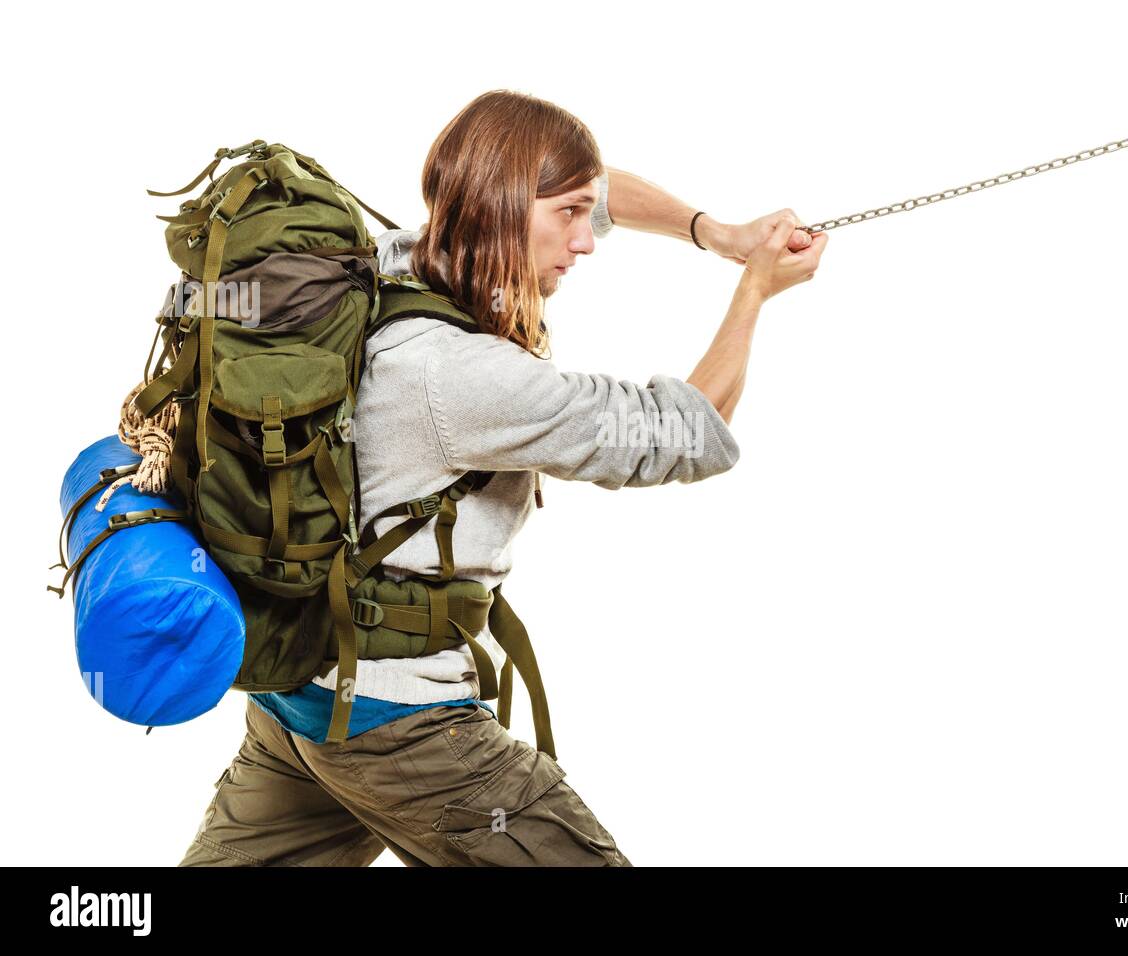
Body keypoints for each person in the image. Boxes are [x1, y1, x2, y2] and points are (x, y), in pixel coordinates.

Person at [179, 89, 829, 867]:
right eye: (570, 216)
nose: (587, 241)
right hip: (401, 727)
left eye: (589, 214)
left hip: (298, 703)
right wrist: (752, 290)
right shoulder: (467, 377)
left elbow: (598, 187)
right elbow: (681, 433)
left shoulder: (391, 263)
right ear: (502, 207)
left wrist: (715, 233)